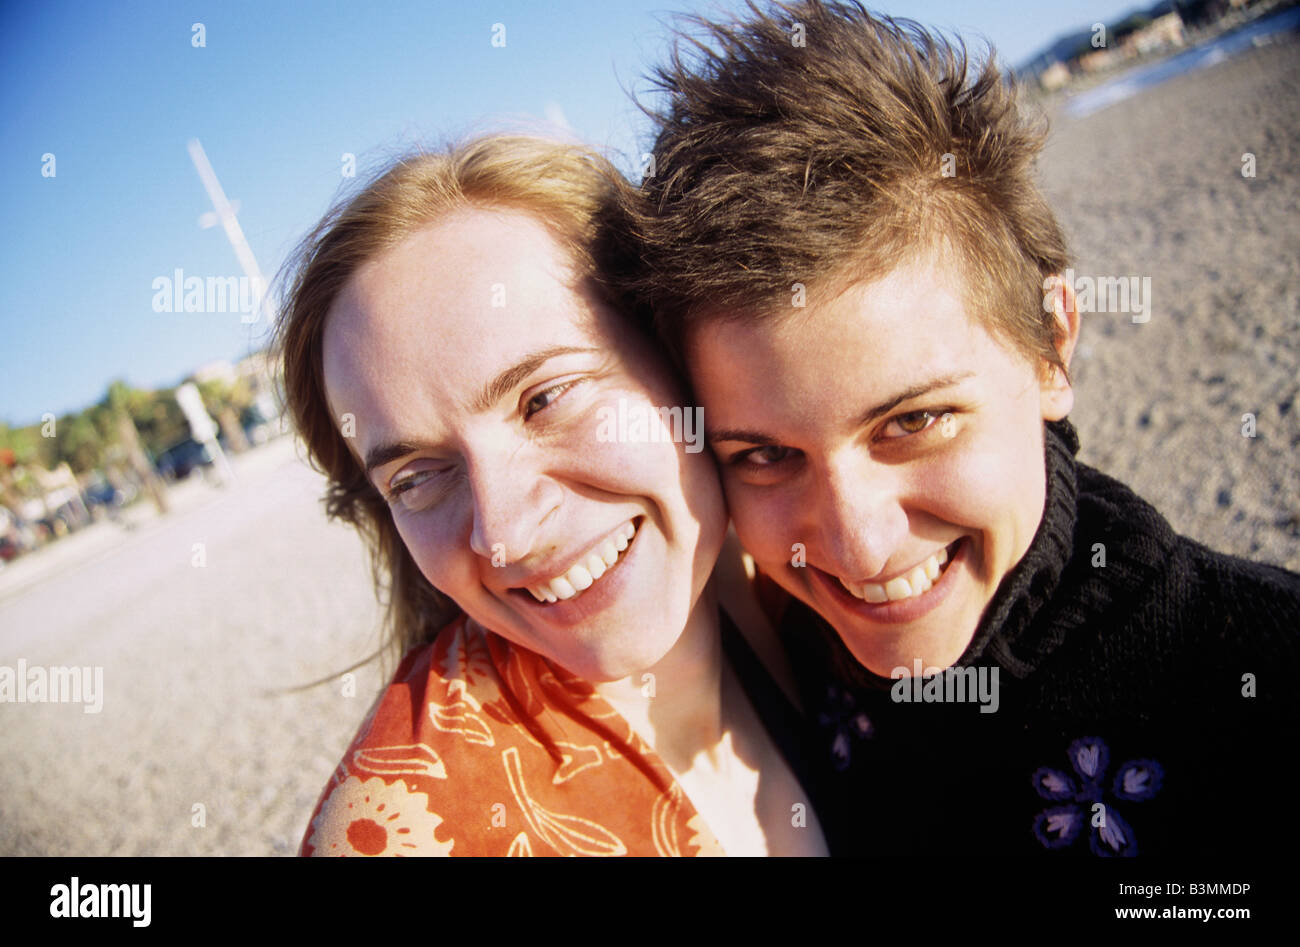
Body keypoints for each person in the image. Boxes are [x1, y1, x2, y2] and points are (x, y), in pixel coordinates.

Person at [615, 0, 1300, 855]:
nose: (859, 548)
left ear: (1052, 346)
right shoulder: (784, 650)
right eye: (764, 455)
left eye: (916, 419)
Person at [273, 135, 828, 856]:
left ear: (675, 351)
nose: (504, 534)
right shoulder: (413, 829)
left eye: (546, 398)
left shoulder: (821, 580)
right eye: (415, 476)